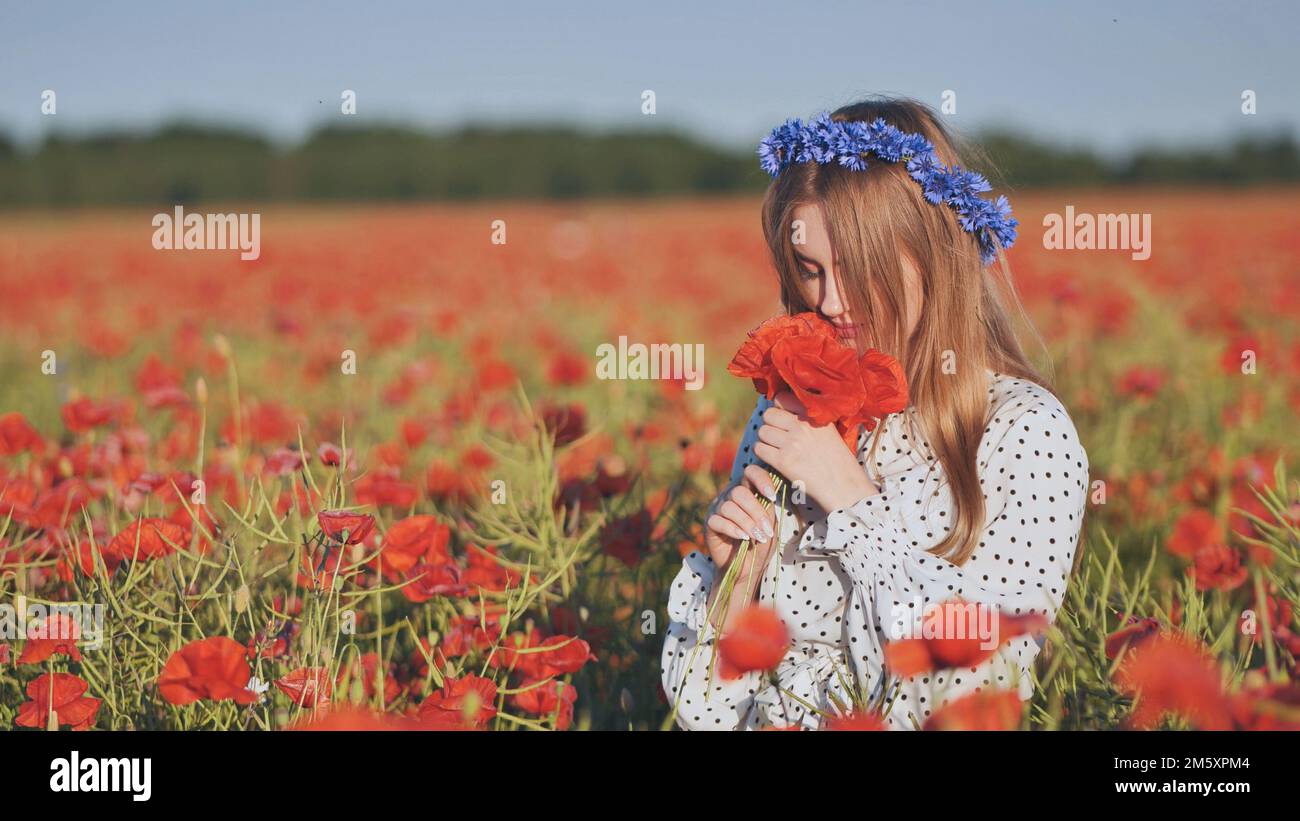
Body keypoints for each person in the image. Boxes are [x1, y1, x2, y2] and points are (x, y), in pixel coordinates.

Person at [661, 97, 1089, 730]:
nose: (832, 302)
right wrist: (737, 590)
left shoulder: (1024, 432)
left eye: (861, 270)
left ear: (936, 253)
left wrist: (853, 504)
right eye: (810, 271)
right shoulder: (787, 416)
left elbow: (983, 687)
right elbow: (708, 717)